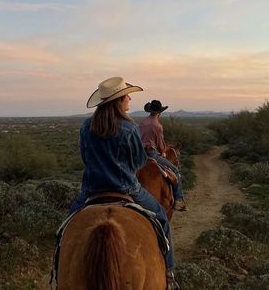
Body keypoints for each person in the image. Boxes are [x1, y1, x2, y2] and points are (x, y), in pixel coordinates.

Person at [69, 77, 179, 289]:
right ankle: (170, 273)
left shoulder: (85, 127)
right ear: (118, 101)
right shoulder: (129, 128)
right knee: (162, 219)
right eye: (126, 95)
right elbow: (138, 162)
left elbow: (85, 158)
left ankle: (56, 271)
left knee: (65, 230)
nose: (129, 97)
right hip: (128, 189)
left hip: (91, 190)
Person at [139, 99, 188, 212]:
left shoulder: (142, 123)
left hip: (139, 155)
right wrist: (163, 152)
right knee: (175, 171)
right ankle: (178, 200)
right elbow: (161, 146)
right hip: (151, 154)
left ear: (150, 111)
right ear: (159, 113)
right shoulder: (157, 126)